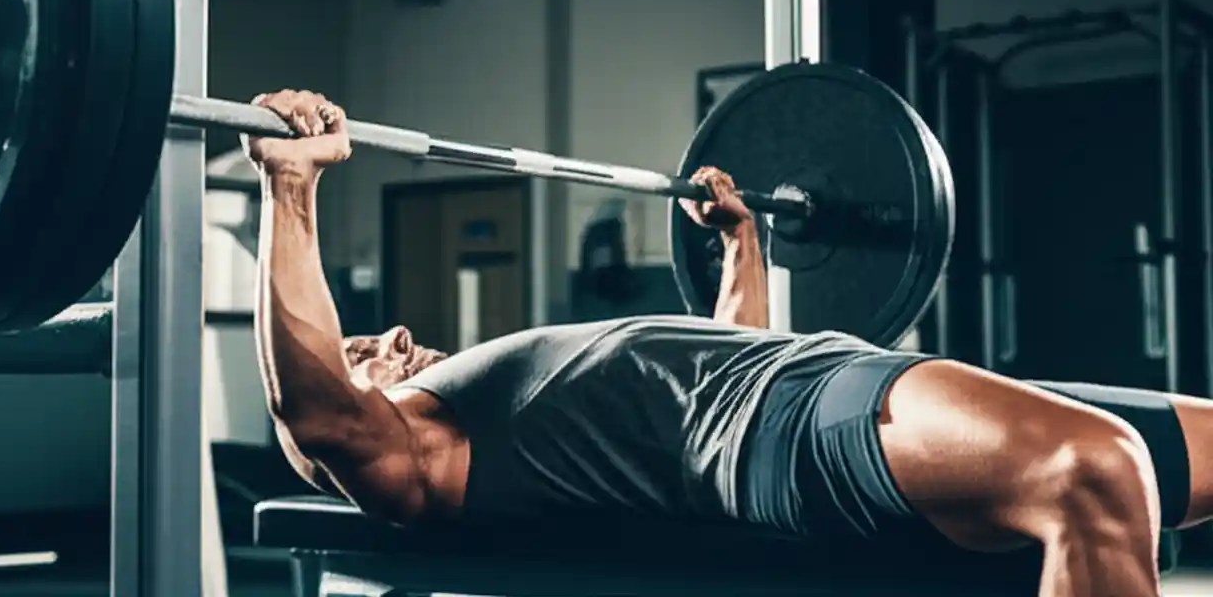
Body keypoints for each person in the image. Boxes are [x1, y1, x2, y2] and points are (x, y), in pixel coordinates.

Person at [244, 89, 1211, 597]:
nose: (402, 334)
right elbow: (321, 412)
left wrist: (742, 246)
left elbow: (732, 360)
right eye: (368, 344)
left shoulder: (520, 403)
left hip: (826, 383)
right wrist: (292, 189)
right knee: (1095, 469)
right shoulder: (425, 449)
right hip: (802, 427)